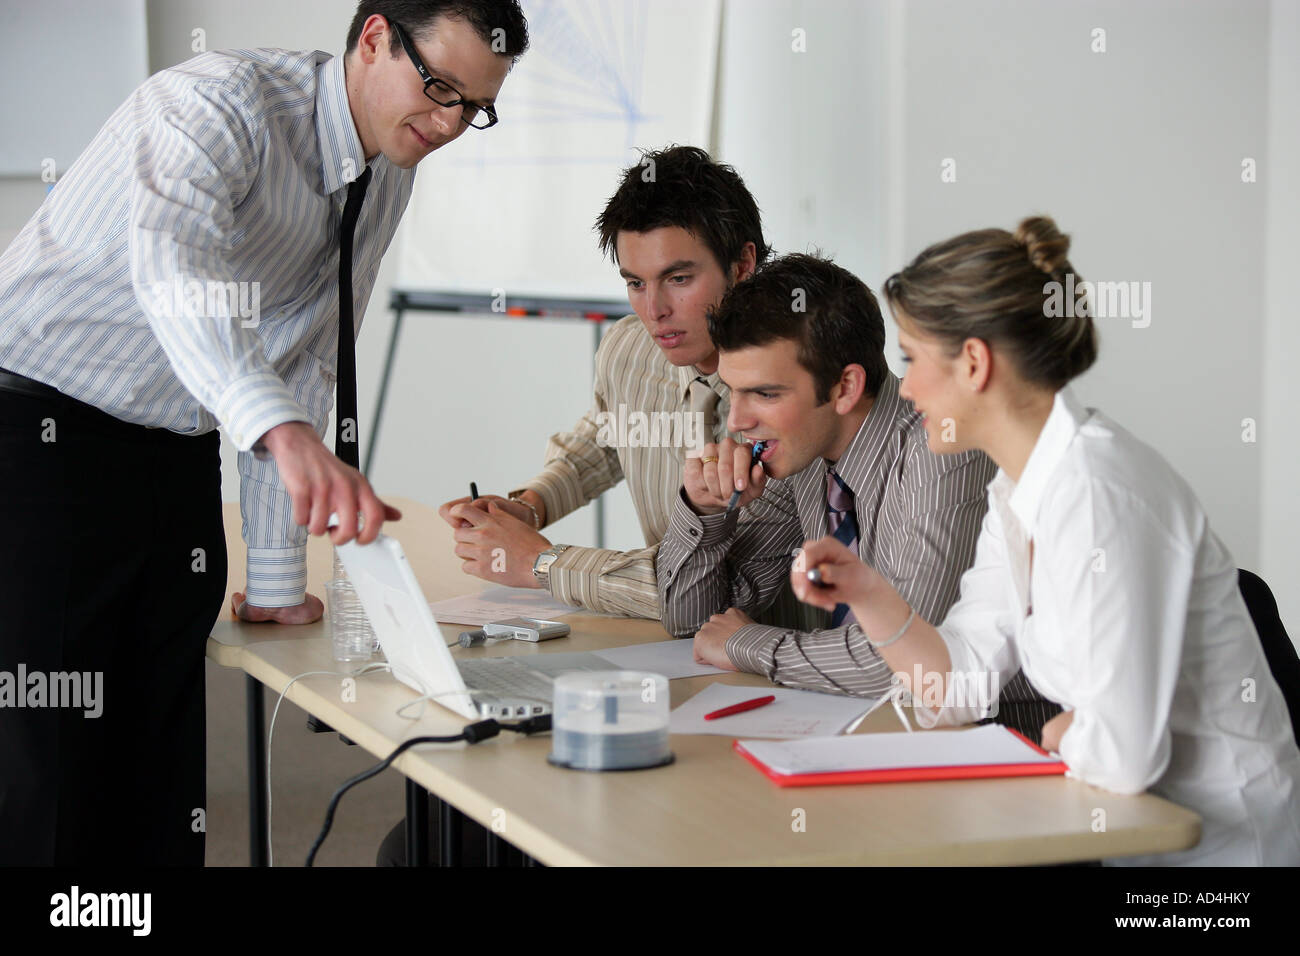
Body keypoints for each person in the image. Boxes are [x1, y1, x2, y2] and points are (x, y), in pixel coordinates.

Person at [0, 0, 528, 865]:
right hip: (34, 433)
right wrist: (280, 431)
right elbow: (174, 271)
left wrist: (279, 577)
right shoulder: (217, 103)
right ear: (373, 38)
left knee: (157, 756)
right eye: (439, 88)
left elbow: (309, 357)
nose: (450, 124)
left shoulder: (389, 165)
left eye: (476, 107)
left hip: (171, 450)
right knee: (49, 764)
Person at [790, 217, 1300, 866]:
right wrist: (866, 591)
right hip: (1123, 834)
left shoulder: (1098, 492)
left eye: (912, 360)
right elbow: (958, 684)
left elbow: (1122, 758)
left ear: (974, 363)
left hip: (1219, 868)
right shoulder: (1020, 487)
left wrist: (1063, 731)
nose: (906, 388)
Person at [383, 145, 813, 864]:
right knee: (441, 837)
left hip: (773, 687)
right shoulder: (633, 348)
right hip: (675, 669)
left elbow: (713, 590)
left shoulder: (792, 393)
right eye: (636, 283)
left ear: (743, 265)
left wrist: (542, 564)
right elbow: (606, 438)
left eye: (679, 279)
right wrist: (531, 505)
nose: (656, 310)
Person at [657, 252, 1062, 737]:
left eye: (765, 394)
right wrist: (705, 512)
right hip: (883, 727)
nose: (738, 421)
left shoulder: (942, 450)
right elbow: (691, 624)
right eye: (733, 390)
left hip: (1004, 740)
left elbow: (897, 664)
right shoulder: (802, 454)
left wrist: (749, 643)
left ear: (846, 386)